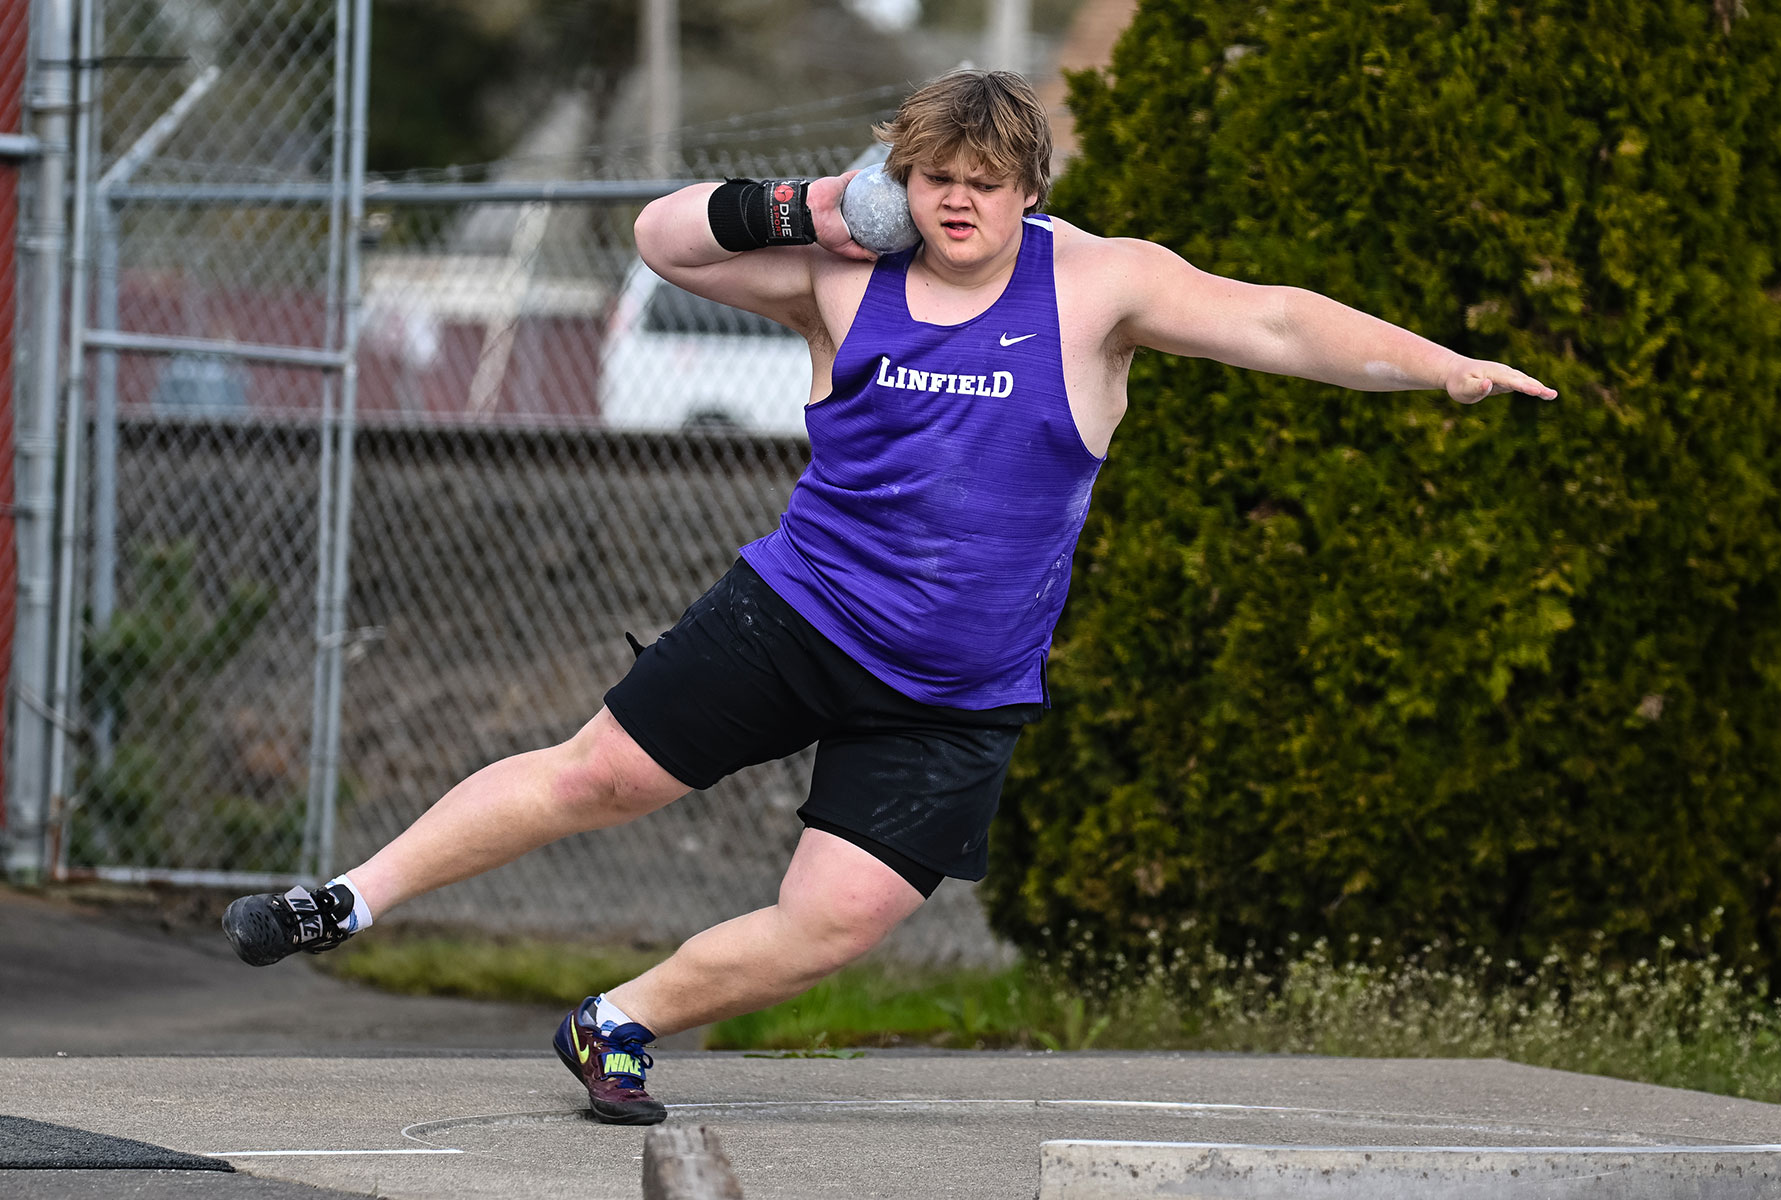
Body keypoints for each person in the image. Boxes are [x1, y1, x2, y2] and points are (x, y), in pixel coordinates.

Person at [221, 69, 1555, 1125]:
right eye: (931, 181)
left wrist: (1439, 364)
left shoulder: (1098, 288)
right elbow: (658, 237)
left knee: (841, 920)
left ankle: (615, 1022)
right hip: (798, 614)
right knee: (597, 778)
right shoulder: (841, 273)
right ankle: (342, 901)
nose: (956, 205)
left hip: (957, 687)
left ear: (1029, 188)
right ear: (896, 179)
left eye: (983, 183)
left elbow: (1273, 321)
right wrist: (815, 207)